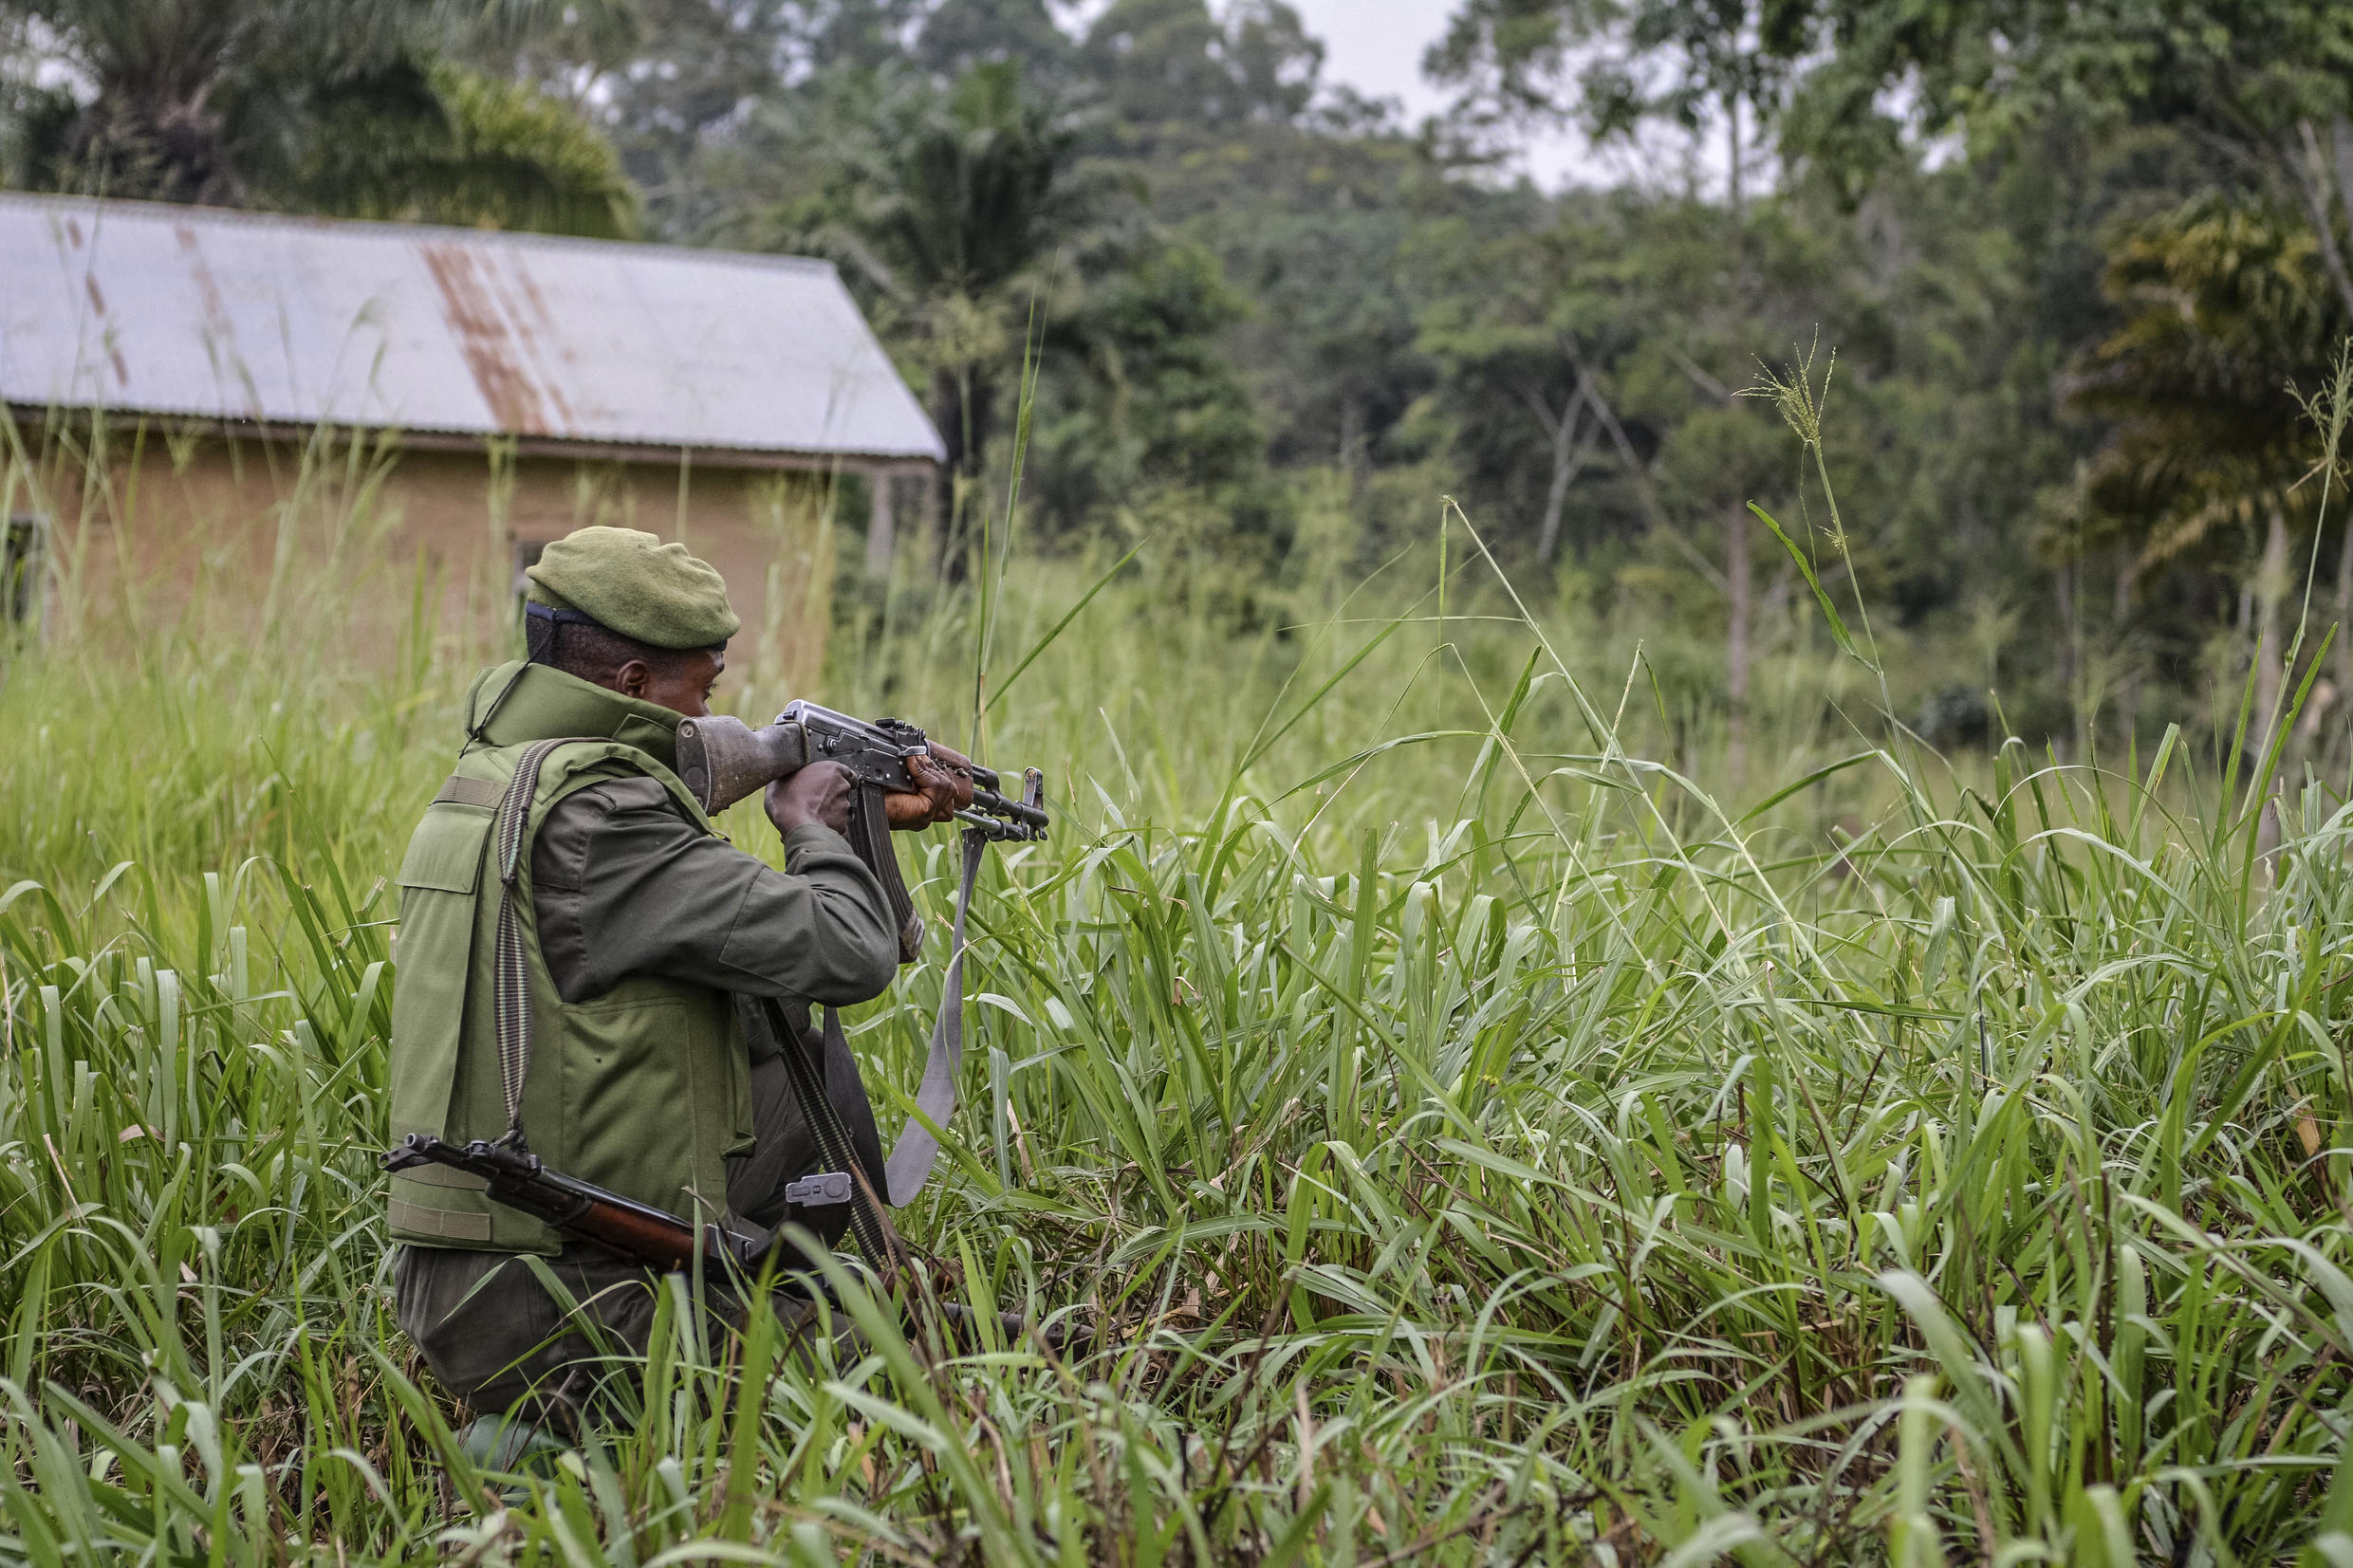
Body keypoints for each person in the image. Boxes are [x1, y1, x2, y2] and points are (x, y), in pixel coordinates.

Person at [384, 525, 973, 1431]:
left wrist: (859, 819)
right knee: (913, 1368)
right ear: (628, 687)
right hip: (555, 1301)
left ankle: (739, 1303)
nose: (705, 721)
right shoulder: (603, 820)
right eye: (699, 692)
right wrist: (813, 823)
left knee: (777, 1053)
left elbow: (740, 976)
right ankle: (548, 1438)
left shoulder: (491, 783)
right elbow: (852, 955)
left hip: (482, 1269)